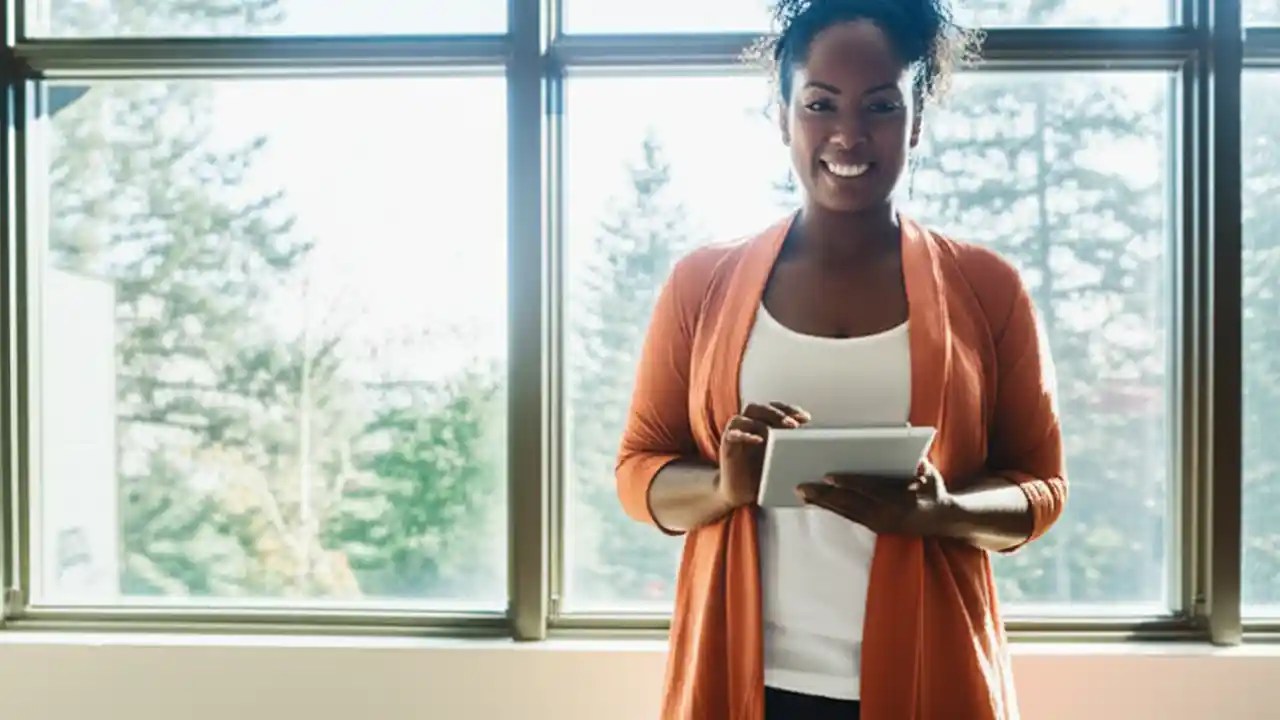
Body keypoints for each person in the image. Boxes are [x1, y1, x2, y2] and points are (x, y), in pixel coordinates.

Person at [614, 0, 1068, 718]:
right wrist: (724, 488)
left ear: (916, 119)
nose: (849, 134)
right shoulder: (700, 285)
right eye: (820, 104)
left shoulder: (987, 288)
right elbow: (639, 471)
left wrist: (942, 513)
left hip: (928, 674)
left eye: (881, 105)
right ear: (783, 116)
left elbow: (1040, 490)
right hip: (744, 683)